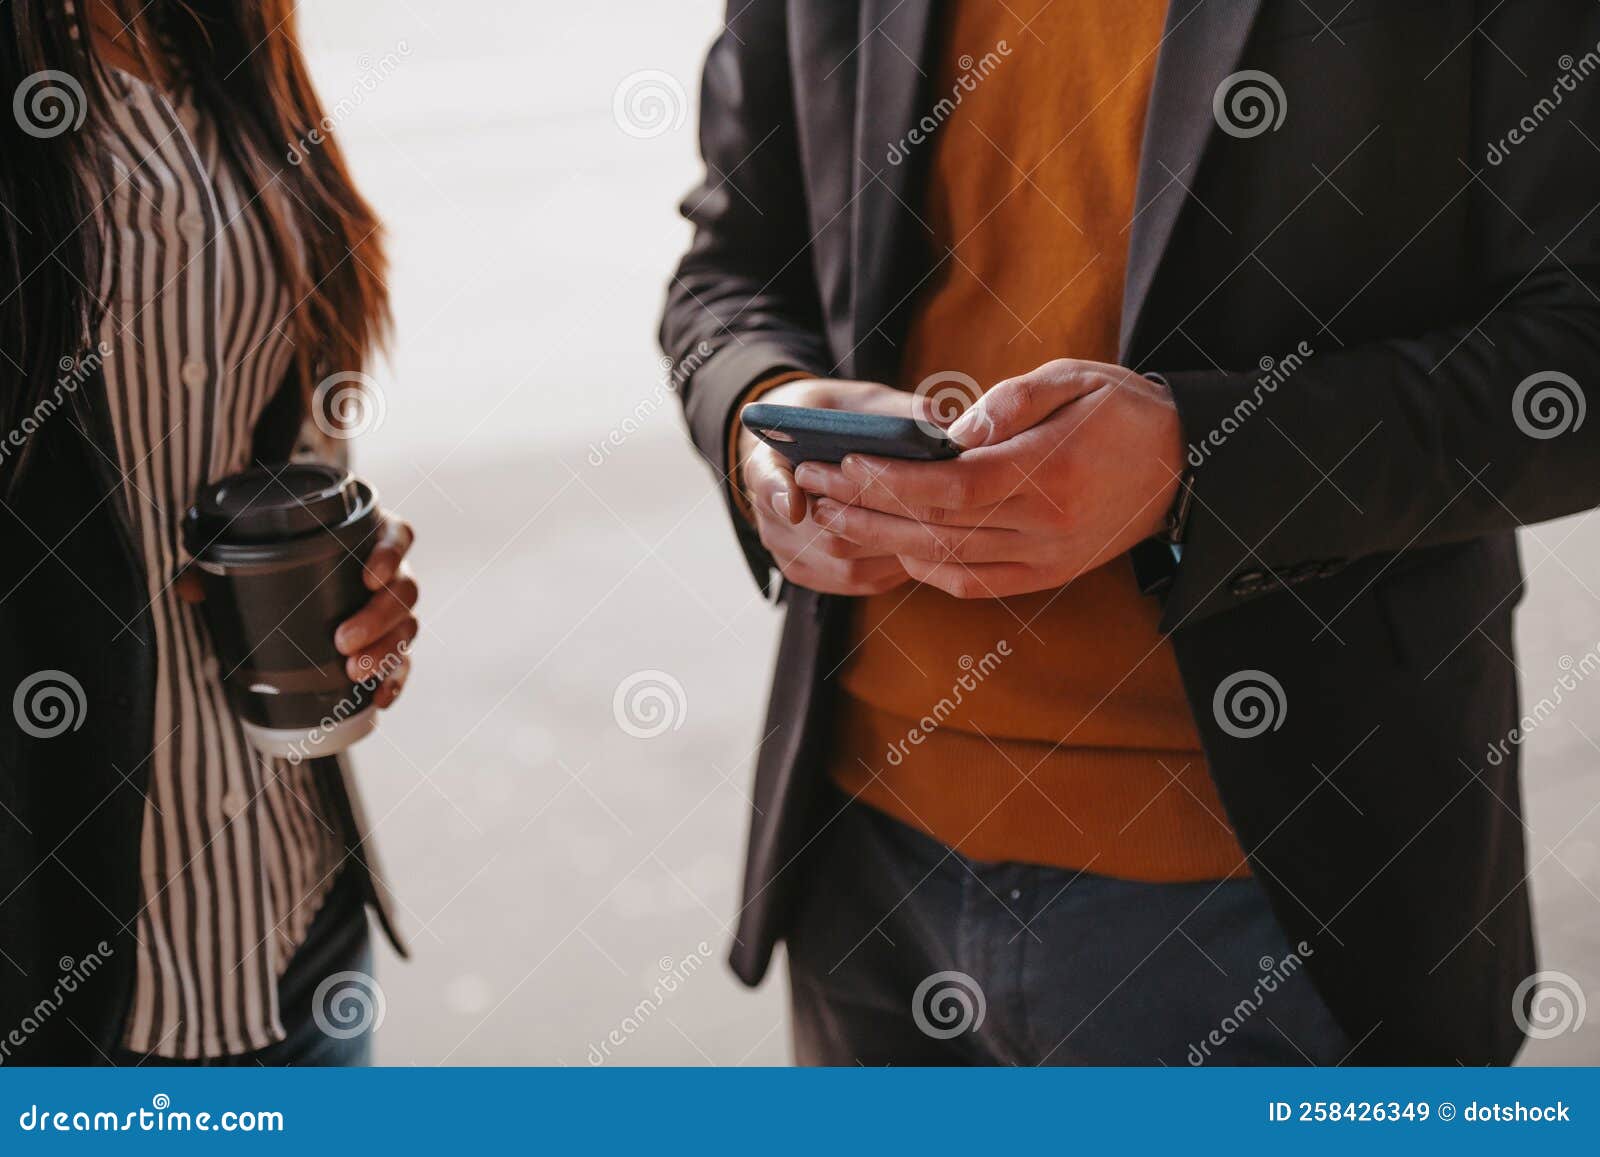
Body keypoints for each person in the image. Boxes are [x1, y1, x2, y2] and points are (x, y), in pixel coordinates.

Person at [661, 0, 1600, 1064]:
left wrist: (1197, 459)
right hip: (861, 857)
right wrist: (762, 416)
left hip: (1274, 896)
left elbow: (1575, 338)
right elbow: (725, 272)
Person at [0, 0, 417, 1064]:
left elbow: (298, 419)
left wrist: (351, 574)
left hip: (295, 915)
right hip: (66, 973)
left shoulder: (225, 38)